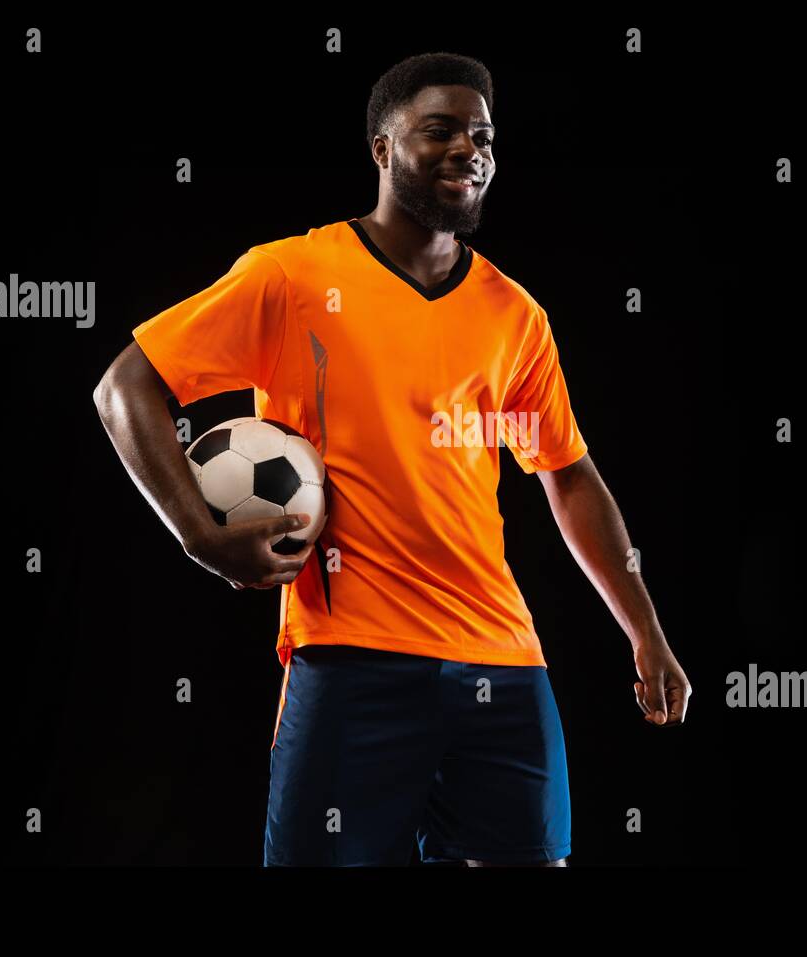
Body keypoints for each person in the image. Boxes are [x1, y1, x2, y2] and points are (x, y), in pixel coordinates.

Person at [93, 52, 690, 867]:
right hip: (351, 658)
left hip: (503, 660)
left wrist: (645, 630)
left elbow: (567, 472)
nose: (468, 149)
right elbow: (126, 387)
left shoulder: (514, 315)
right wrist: (199, 534)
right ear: (381, 148)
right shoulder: (293, 276)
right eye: (439, 130)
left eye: (482, 135)